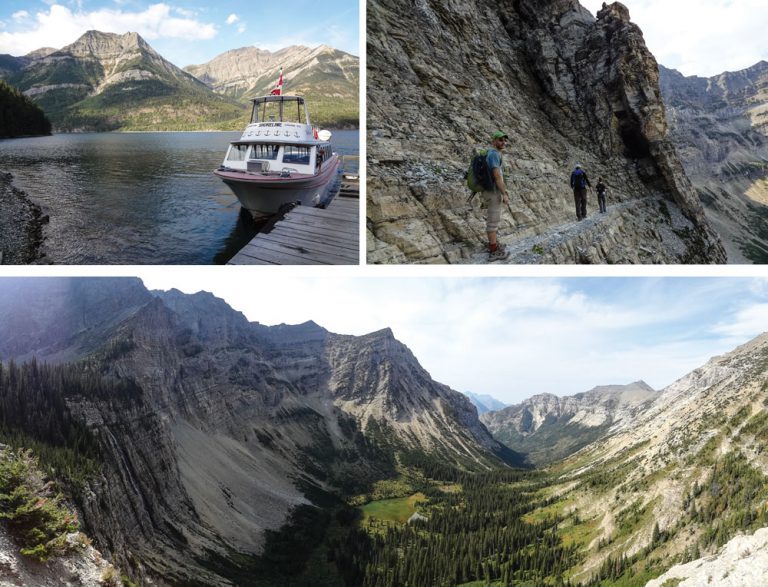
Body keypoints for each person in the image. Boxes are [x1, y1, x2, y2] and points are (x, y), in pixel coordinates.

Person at [483, 131, 511, 261]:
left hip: (493, 190)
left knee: (494, 220)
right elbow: (497, 176)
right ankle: (493, 251)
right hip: (493, 192)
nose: (503, 142)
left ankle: (494, 243)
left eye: (505, 140)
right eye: (500, 140)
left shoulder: (494, 153)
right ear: (494, 141)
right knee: (493, 221)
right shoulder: (493, 154)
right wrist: (504, 193)